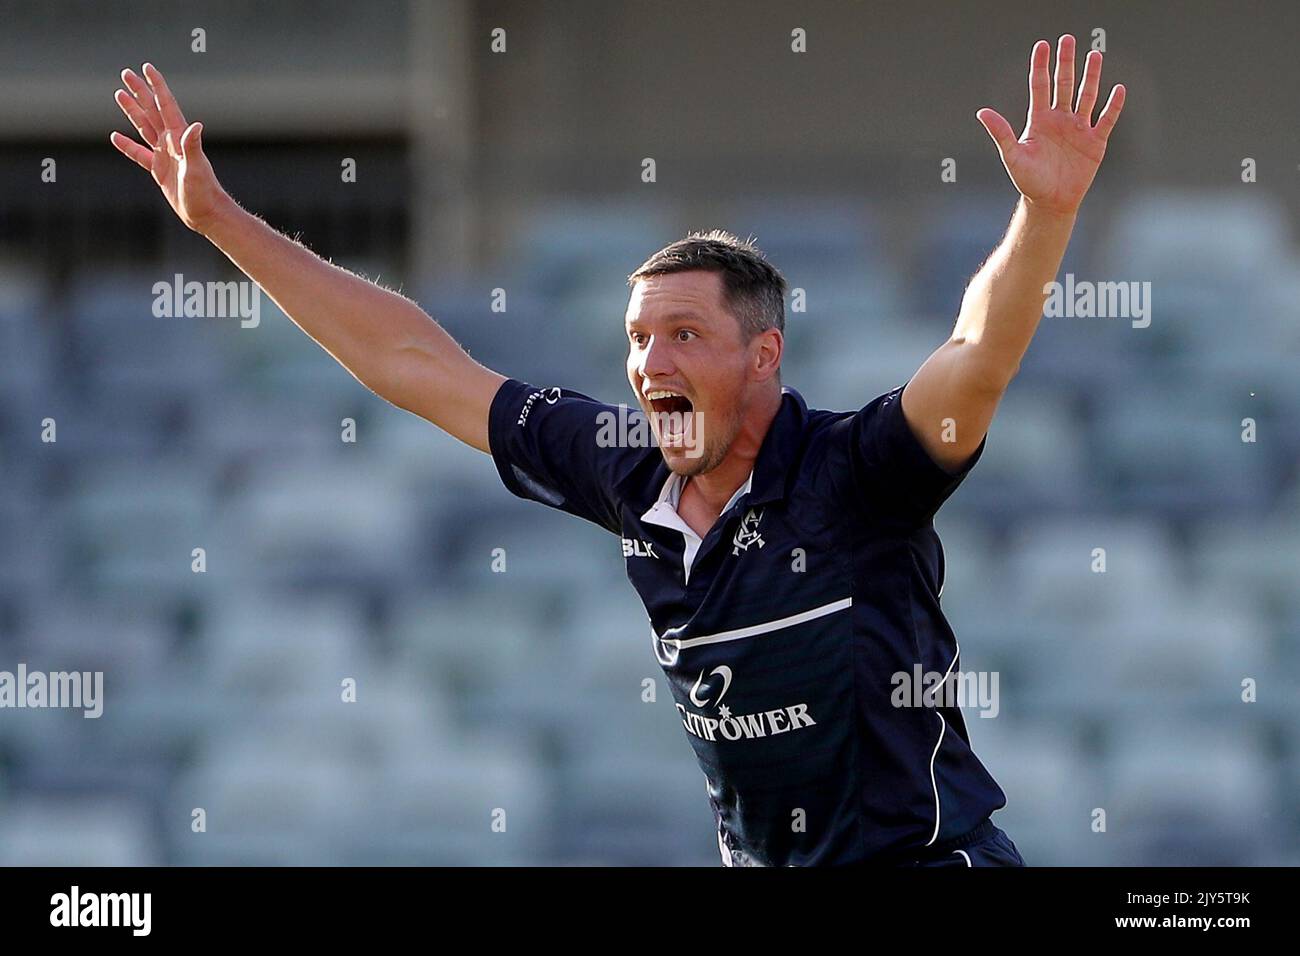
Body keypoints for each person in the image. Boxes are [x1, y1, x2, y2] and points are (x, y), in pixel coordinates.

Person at [110, 34, 1124, 866]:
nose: (649, 362)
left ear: (763, 355)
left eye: (683, 333)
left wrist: (1043, 213)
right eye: (637, 338)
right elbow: (413, 361)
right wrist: (221, 221)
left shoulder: (857, 473)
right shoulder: (626, 466)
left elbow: (975, 356)